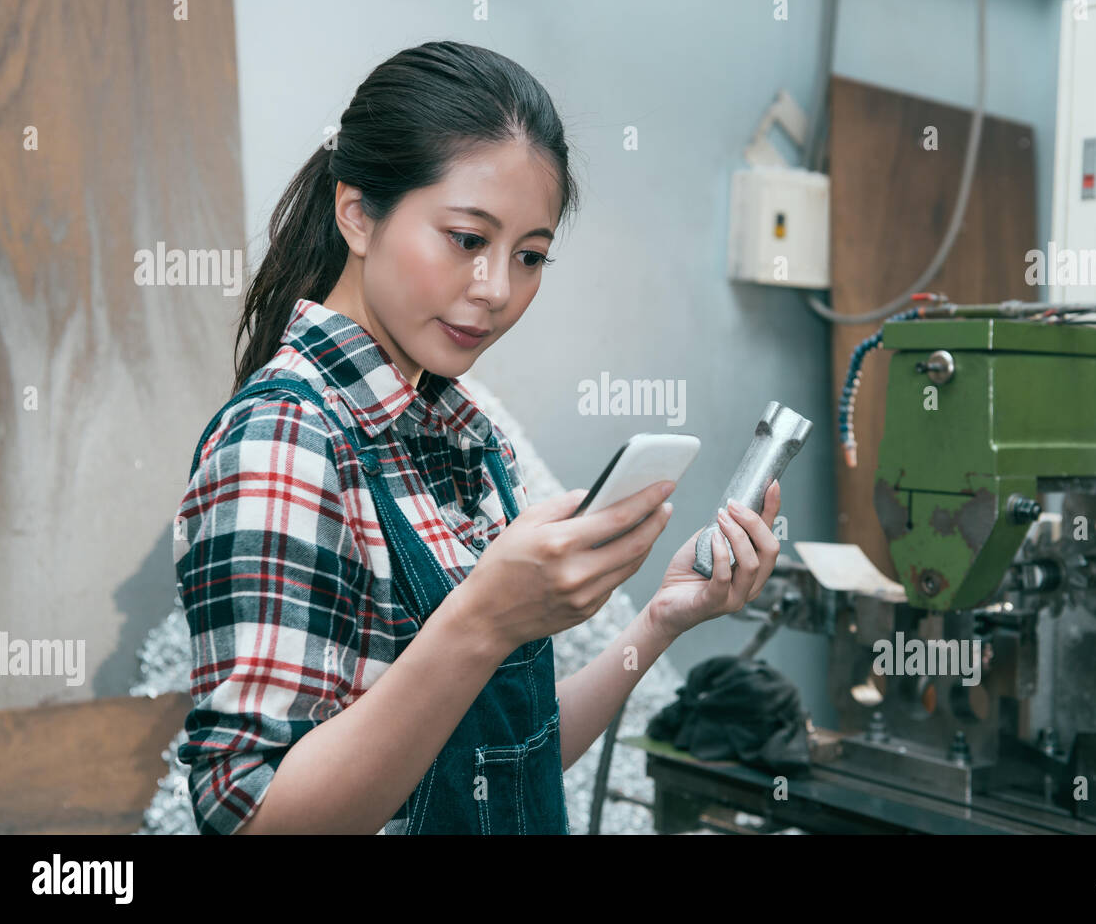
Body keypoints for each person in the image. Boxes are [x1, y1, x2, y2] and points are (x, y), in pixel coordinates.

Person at [173, 41, 782, 835]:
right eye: (467, 239)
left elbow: (499, 762)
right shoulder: (286, 437)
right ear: (357, 213)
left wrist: (662, 617)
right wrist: (483, 619)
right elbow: (254, 817)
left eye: (529, 255)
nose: (496, 290)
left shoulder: (466, 435)